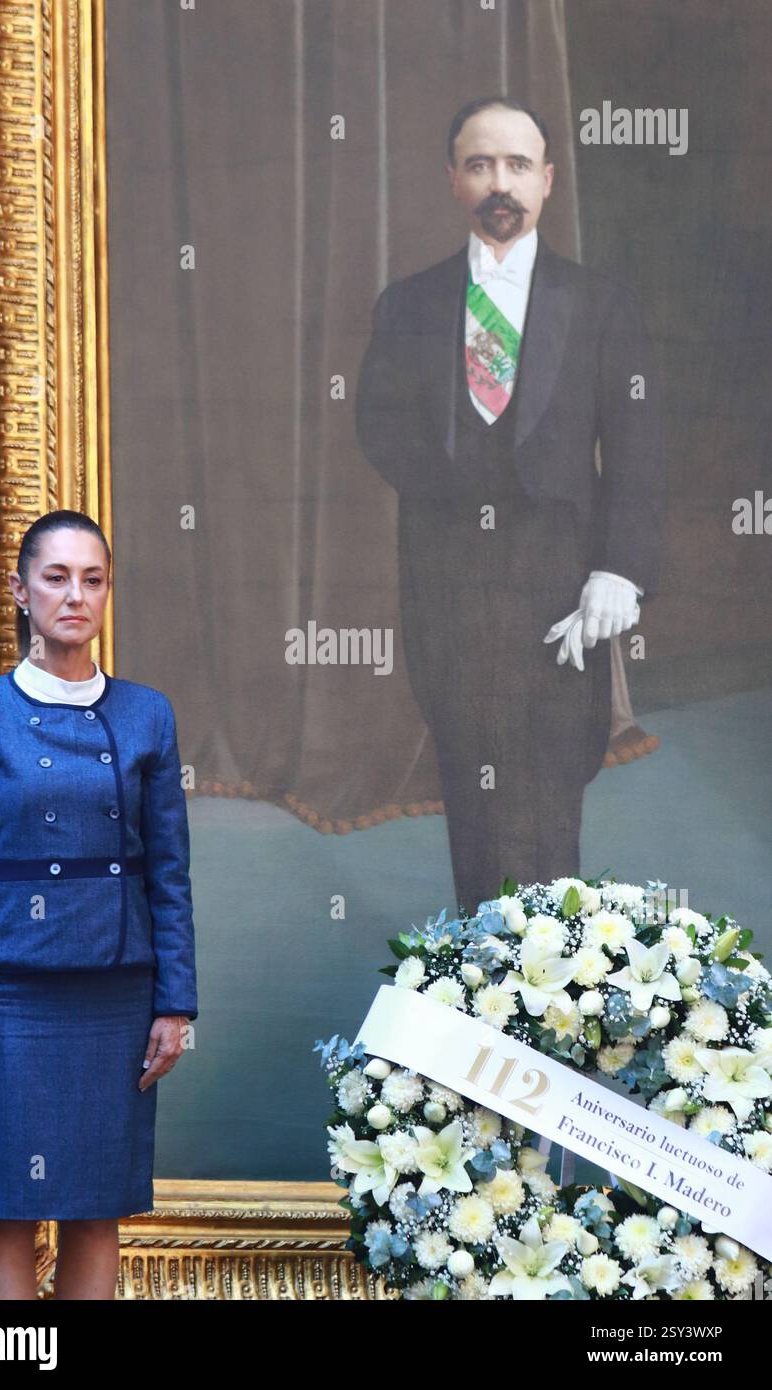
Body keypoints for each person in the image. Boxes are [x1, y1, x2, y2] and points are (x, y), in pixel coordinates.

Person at [355, 97, 665, 915]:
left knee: (553, 769)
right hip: (448, 583)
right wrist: (466, 492)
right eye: (482, 164)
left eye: (519, 165)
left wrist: (620, 569)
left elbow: (637, 447)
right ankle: (482, 972)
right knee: (473, 770)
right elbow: (379, 428)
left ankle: (547, 977)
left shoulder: (601, 304)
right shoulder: (410, 305)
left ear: (549, 180)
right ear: (453, 180)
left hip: (562, 585)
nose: (501, 183)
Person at [0, 510, 199, 1300]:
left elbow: (169, 872)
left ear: (108, 592)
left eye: (92, 579)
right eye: (56, 577)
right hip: (8, 991)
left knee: (95, 1207)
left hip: (115, 991)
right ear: (20, 590)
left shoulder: (147, 713)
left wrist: (175, 1001)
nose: (74, 595)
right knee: (7, 1205)